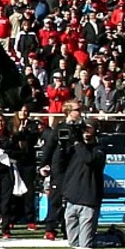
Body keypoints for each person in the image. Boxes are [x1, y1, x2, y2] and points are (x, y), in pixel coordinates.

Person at [38, 101, 85, 241]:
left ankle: (68, 228)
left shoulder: (80, 127)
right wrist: (44, 165)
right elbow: (57, 148)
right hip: (61, 168)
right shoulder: (63, 128)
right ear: (69, 112)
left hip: (74, 168)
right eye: (77, 109)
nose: (79, 112)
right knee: (56, 198)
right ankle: (50, 227)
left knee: (71, 199)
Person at [56, 123, 106, 249]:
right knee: (72, 244)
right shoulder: (74, 148)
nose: (86, 131)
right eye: (84, 128)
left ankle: (114, 239)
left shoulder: (99, 149)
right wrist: (62, 145)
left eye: (90, 128)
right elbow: (59, 163)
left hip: (88, 200)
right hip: (71, 198)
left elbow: (88, 159)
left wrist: (78, 143)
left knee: (85, 245)